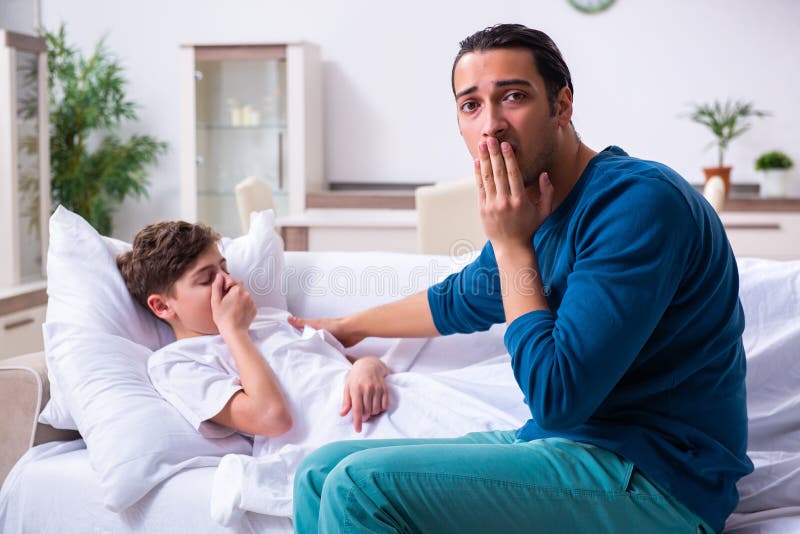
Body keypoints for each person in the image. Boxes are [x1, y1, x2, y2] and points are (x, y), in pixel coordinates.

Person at [289, 23, 753, 533]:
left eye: (513, 97)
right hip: (574, 447)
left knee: (359, 486)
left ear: (562, 105)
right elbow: (459, 300)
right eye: (471, 105)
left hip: (660, 481)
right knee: (318, 472)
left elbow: (557, 399)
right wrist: (347, 325)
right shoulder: (541, 204)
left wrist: (512, 246)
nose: (491, 125)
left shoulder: (638, 204)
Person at [116, 220, 391, 438]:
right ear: (162, 307)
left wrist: (366, 367)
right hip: (355, 431)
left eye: (224, 269)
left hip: (391, 398)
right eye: (206, 279)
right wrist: (233, 332)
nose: (229, 281)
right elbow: (272, 418)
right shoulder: (177, 363)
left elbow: (367, 363)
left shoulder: (270, 318)